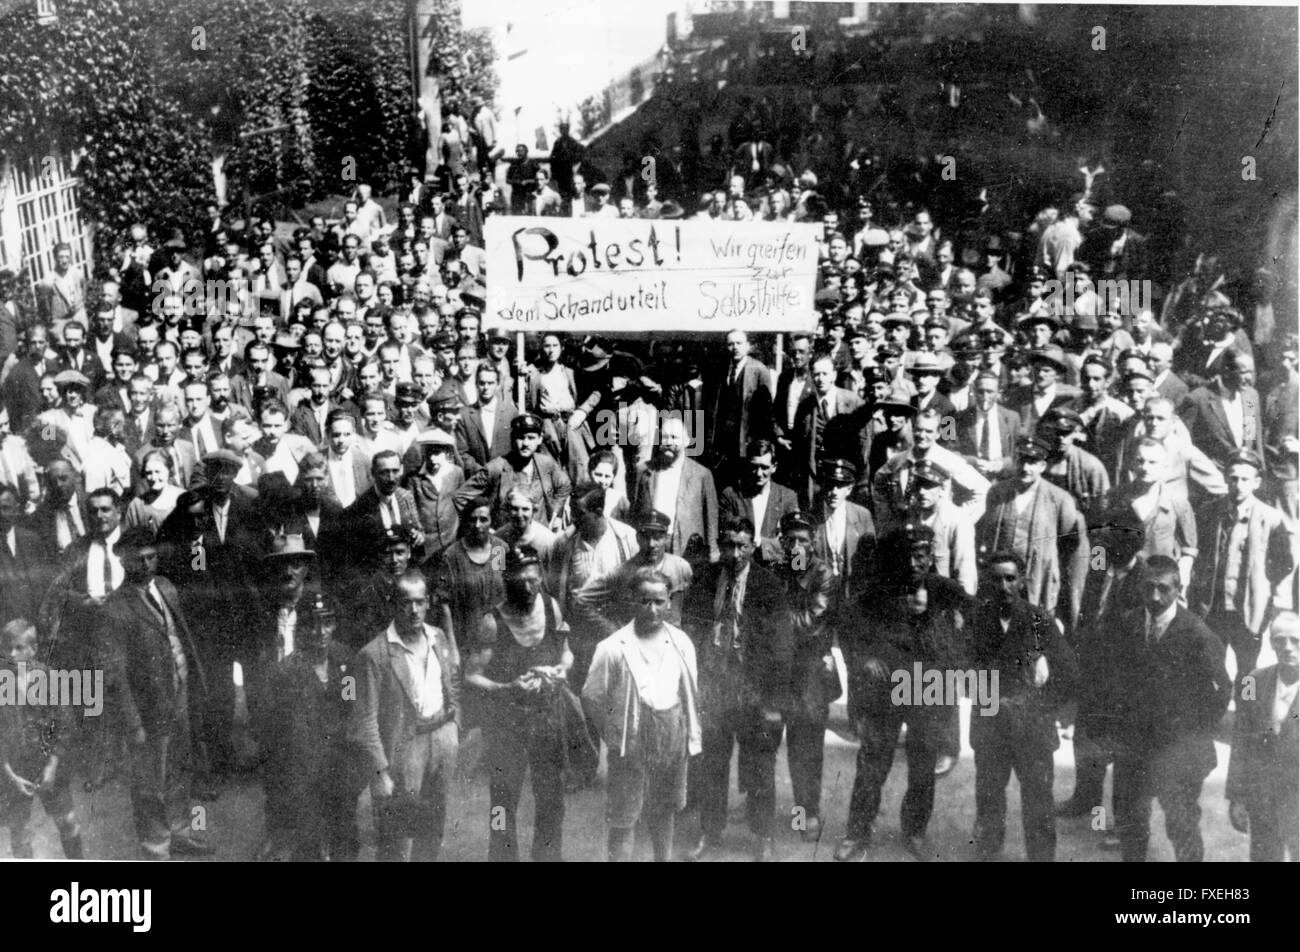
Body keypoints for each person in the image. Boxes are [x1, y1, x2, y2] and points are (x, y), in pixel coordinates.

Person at [834, 523, 967, 862]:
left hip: (926, 689)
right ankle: (857, 836)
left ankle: (915, 831)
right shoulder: (879, 589)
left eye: (920, 556)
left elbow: (982, 617)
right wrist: (864, 658)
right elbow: (847, 622)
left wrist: (954, 657)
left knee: (923, 765)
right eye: (907, 555)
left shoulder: (943, 589)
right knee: (872, 764)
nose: (913, 563)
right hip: (886, 690)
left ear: (929, 557)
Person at [1107, 556, 1231, 862]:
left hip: (1178, 749)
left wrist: (1188, 731)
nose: (1154, 597)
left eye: (1163, 589)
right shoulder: (1126, 624)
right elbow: (1111, 680)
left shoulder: (1198, 634)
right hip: (1133, 747)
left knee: (1182, 824)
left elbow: (1221, 692)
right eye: (1148, 588)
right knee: (1130, 820)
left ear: (1179, 588)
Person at [99, 525, 212, 859]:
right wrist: (133, 724)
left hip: (180, 692)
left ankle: (179, 830)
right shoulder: (114, 608)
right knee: (150, 782)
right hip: (149, 710)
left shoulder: (166, 587)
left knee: (180, 768)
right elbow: (114, 676)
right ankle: (155, 846)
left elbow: (180, 636)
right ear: (123, 561)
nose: (147, 564)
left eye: (152, 557)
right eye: (140, 559)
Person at [684, 516, 792, 862]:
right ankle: (709, 832)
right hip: (715, 685)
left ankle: (762, 837)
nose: (734, 553)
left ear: (753, 546)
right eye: (728, 545)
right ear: (720, 545)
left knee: (760, 764)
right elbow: (690, 631)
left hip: (753, 688)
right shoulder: (704, 580)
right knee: (712, 763)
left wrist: (773, 700)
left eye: (742, 546)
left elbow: (782, 645)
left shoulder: (769, 585)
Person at [584, 567, 701, 862]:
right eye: (644, 601)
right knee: (624, 817)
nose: (652, 609)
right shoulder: (613, 648)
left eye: (659, 601)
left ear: (669, 602)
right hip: (632, 740)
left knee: (664, 811)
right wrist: (614, 736)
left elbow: (689, 693)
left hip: (671, 737)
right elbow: (591, 697)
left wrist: (686, 734)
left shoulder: (681, 643)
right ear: (632, 601)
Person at [465, 545, 573, 862]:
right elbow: (471, 676)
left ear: (541, 577)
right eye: (520, 581)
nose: (528, 587)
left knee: (552, 797)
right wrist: (507, 687)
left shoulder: (551, 607)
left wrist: (561, 669)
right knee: (503, 800)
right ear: (507, 581)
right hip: (506, 723)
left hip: (547, 718)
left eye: (533, 579)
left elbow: (566, 651)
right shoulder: (492, 622)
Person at [969, 552, 1078, 861]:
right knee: (989, 796)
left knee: (1039, 801)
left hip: (1032, 729)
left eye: (1010, 578)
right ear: (986, 582)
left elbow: (1069, 673)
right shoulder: (977, 619)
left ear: (1022, 581)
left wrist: (1039, 704)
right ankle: (989, 851)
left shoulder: (1039, 620)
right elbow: (962, 668)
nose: (1003, 585)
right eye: (996, 579)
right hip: (990, 725)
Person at [349, 570, 460, 862]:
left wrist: (453, 728)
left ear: (427, 603)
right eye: (405, 602)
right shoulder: (374, 655)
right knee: (396, 844)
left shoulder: (436, 636)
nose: (413, 610)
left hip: (442, 739)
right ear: (392, 605)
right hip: (404, 749)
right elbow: (365, 720)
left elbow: (452, 681)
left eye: (420, 602)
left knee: (432, 830)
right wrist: (380, 772)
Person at [258, 593, 361, 861]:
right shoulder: (285, 673)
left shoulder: (345, 661)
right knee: (307, 846)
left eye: (327, 623)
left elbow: (351, 710)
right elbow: (272, 739)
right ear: (301, 628)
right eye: (312, 624)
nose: (320, 632)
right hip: (303, 777)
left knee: (345, 843)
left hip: (339, 770)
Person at [1189, 448, 1294, 700]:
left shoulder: (1270, 518)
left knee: (1248, 669)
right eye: (1233, 478)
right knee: (1210, 663)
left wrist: (1262, 586)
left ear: (1256, 482)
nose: (1238, 485)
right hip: (1212, 606)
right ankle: (1212, 710)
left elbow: (1285, 563)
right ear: (1226, 478)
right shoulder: (1209, 512)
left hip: (1248, 611)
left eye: (1245, 479)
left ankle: (1246, 712)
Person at [775, 511, 838, 840]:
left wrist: (776, 622)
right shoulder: (775, 570)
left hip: (808, 671)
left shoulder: (823, 574)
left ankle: (806, 813)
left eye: (803, 540)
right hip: (776, 668)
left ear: (813, 543)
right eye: (791, 540)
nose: (797, 546)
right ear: (783, 541)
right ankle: (756, 806)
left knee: (805, 748)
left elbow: (814, 622)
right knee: (764, 739)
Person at [0, 619, 84, 858]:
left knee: (67, 821)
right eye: (6, 648)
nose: (11, 654)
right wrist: (9, 774)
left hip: (49, 763)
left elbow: (66, 725)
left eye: (18, 647)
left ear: (33, 649)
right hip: (13, 769)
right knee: (19, 833)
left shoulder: (49, 678)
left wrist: (53, 766)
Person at [1226, 612, 1299, 861]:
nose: (1287, 648)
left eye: (1295, 640)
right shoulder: (1252, 681)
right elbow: (1241, 741)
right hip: (1264, 799)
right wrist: (1236, 797)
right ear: (1271, 643)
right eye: (1280, 640)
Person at [719, 439, 799, 566]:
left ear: (774, 467)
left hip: (773, 573)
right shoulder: (731, 495)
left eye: (764, 467)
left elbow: (795, 548)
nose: (758, 473)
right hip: (739, 568)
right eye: (753, 467)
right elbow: (728, 541)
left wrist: (760, 543)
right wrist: (773, 544)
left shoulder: (787, 498)